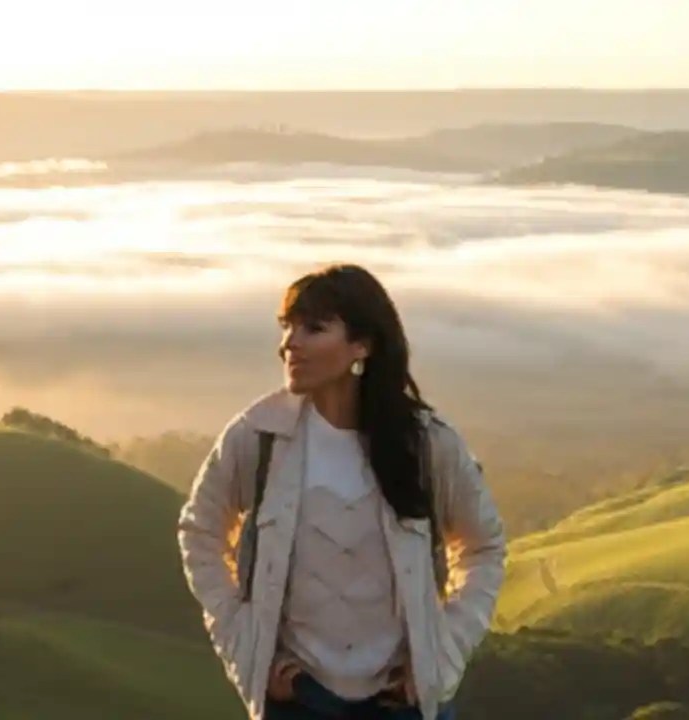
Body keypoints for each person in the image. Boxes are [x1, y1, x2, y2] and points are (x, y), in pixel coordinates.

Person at [178, 264, 506, 720]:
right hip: (297, 701)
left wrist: (440, 656)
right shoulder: (257, 437)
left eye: (313, 329)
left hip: (402, 704)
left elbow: (483, 547)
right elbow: (200, 534)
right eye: (287, 327)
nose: (289, 343)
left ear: (362, 346)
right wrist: (246, 644)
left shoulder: (427, 445)